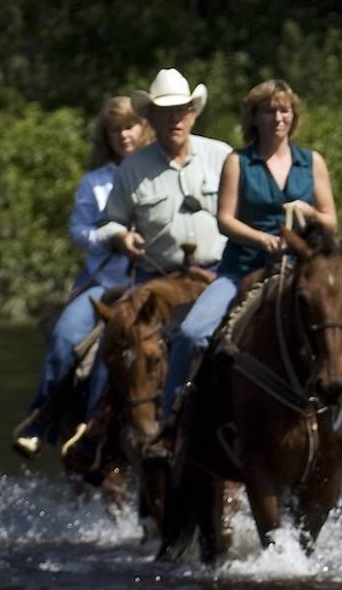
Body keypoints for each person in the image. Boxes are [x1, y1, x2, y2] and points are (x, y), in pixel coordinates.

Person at [160, 78, 342, 420]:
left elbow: (330, 220)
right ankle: (171, 417)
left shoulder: (312, 162)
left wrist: (308, 212)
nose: (278, 117)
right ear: (254, 118)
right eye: (269, 111)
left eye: (284, 110)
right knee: (192, 333)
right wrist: (262, 239)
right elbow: (225, 221)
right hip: (242, 268)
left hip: (301, 269)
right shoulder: (238, 161)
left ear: (293, 116)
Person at [77, 68, 231, 424]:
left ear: (193, 113)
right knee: (120, 343)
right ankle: (98, 431)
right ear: (152, 118)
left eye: (183, 110)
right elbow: (109, 221)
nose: (176, 118)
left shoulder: (221, 155)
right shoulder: (133, 168)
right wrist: (121, 236)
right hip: (156, 280)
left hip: (218, 273)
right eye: (167, 111)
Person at [12, 96, 151, 458]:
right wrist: (113, 237)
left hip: (149, 283)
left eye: (129, 127)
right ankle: (40, 419)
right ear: (106, 137)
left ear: (144, 129)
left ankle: (96, 427)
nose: (123, 135)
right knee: (63, 338)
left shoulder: (158, 172)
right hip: (102, 284)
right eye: (114, 129)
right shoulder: (95, 182)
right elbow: (79, 231)